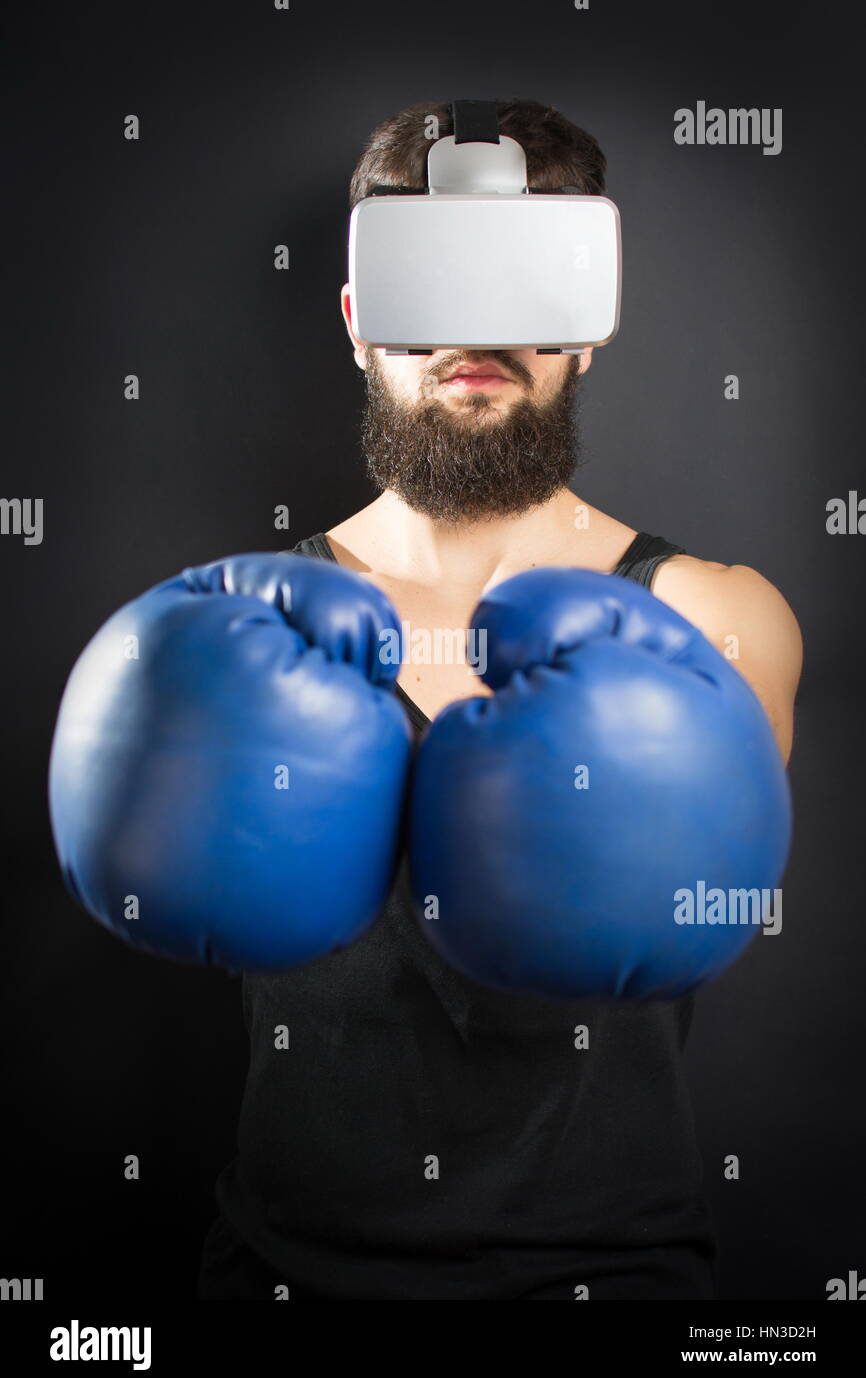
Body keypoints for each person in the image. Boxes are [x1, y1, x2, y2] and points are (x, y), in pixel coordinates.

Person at [49, 98, 802, 1300]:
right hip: (278, 1283)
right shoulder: (221, 633)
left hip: (617, 1288)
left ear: (588, 322)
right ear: (356, 321)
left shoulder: (712, 617)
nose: (473, 326)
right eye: (426, 277)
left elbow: (699, 898)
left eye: (520, 280)